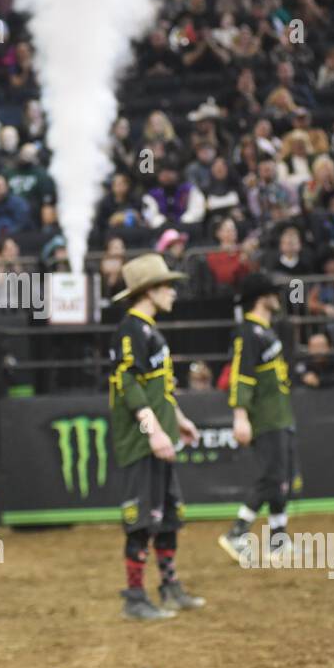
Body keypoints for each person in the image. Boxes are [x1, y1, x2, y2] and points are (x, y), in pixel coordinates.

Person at [107, 254, 204, 620]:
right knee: (142, 520)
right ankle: (135, 596)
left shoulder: (150, 331)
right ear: (149, 291)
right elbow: (127, 382)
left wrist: (178, 420)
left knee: (168, 517)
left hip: (159, 438)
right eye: (167, 286)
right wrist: (153, 431)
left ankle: (169, 586)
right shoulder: (131, 329)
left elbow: (158, 389)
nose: (173, 292)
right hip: (143, 442)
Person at [217, 272, 300, 563]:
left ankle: (279, 539)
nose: (277, 297)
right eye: (272, 293)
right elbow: (241, 375)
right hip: (265, 417)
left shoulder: (268, 330)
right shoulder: (247, 332)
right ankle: (237, 532)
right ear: (260, 297)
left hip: (280, 414)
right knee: (271, 477)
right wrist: (240, 415)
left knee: (282, 480)